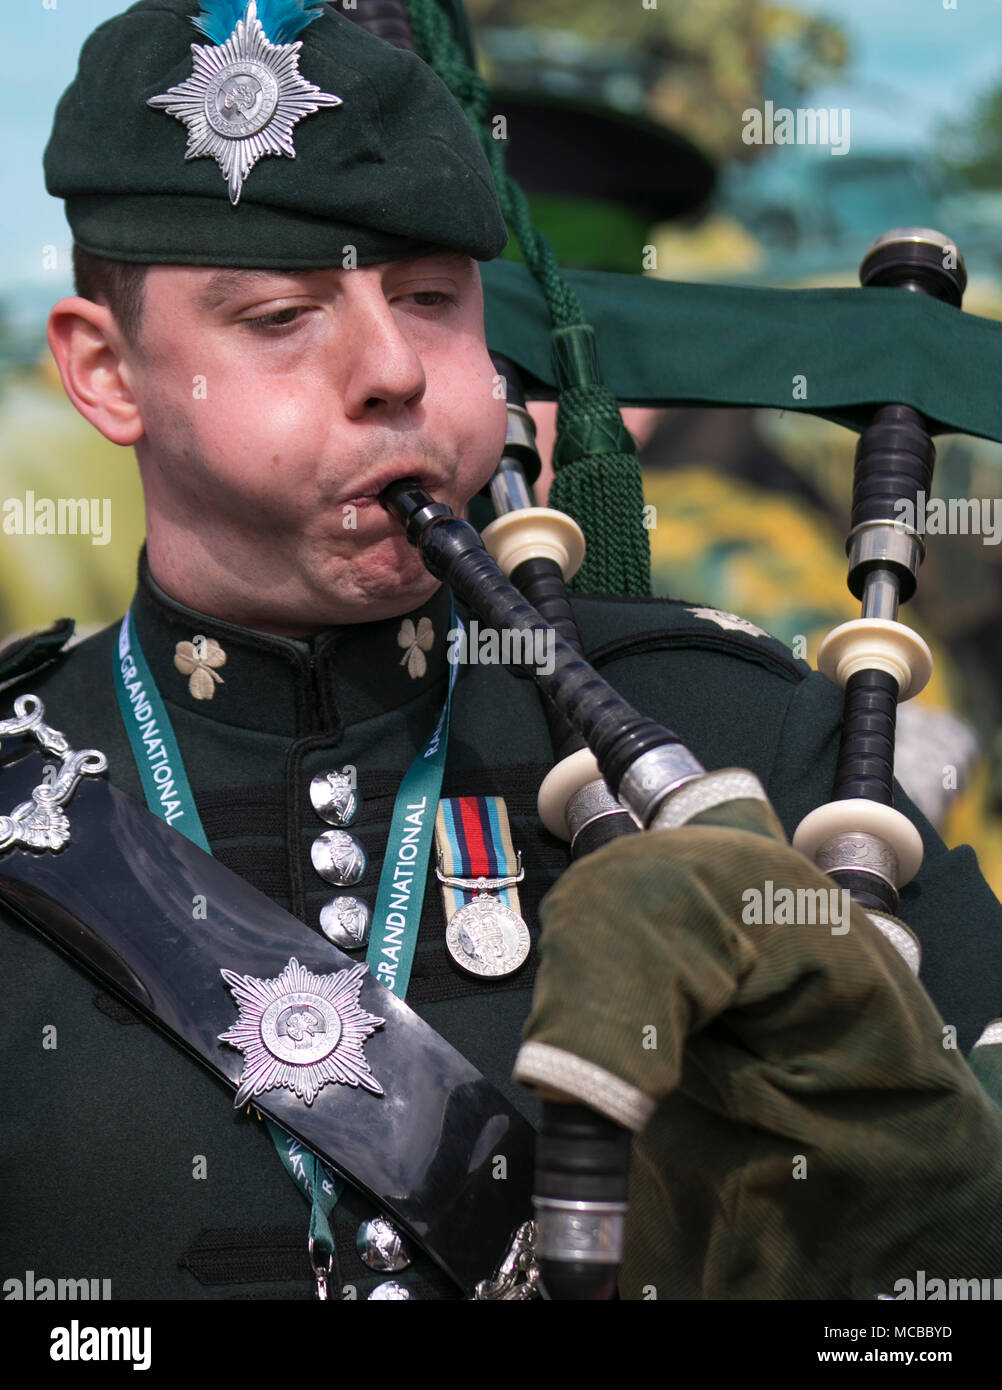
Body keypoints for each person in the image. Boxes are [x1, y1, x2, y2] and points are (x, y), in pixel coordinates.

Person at [1, 0, 1001, 1302]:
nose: (390, 371)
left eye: (428, 298)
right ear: (107, 371)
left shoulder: (769, 754)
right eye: (277, 316)